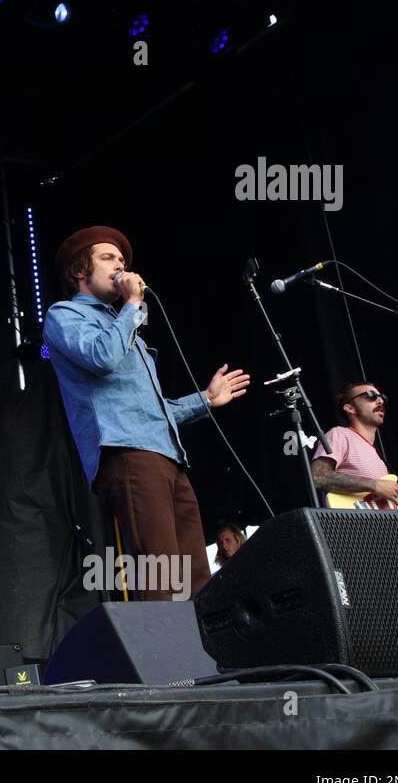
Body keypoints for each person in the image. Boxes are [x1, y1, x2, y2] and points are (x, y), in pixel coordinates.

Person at [43, 226, 251, 600]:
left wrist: (206, 398)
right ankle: (169, 659)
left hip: (168, 455)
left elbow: (153, 410)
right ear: (79, 271)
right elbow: (100, 358)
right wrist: (132, 306)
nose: (120, 266)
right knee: (162, 574)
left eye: (122, 261)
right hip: (128, 455)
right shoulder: (66, 315)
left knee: (196, 580)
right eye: (108, 258)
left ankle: (208, 659)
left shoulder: (126, 328)